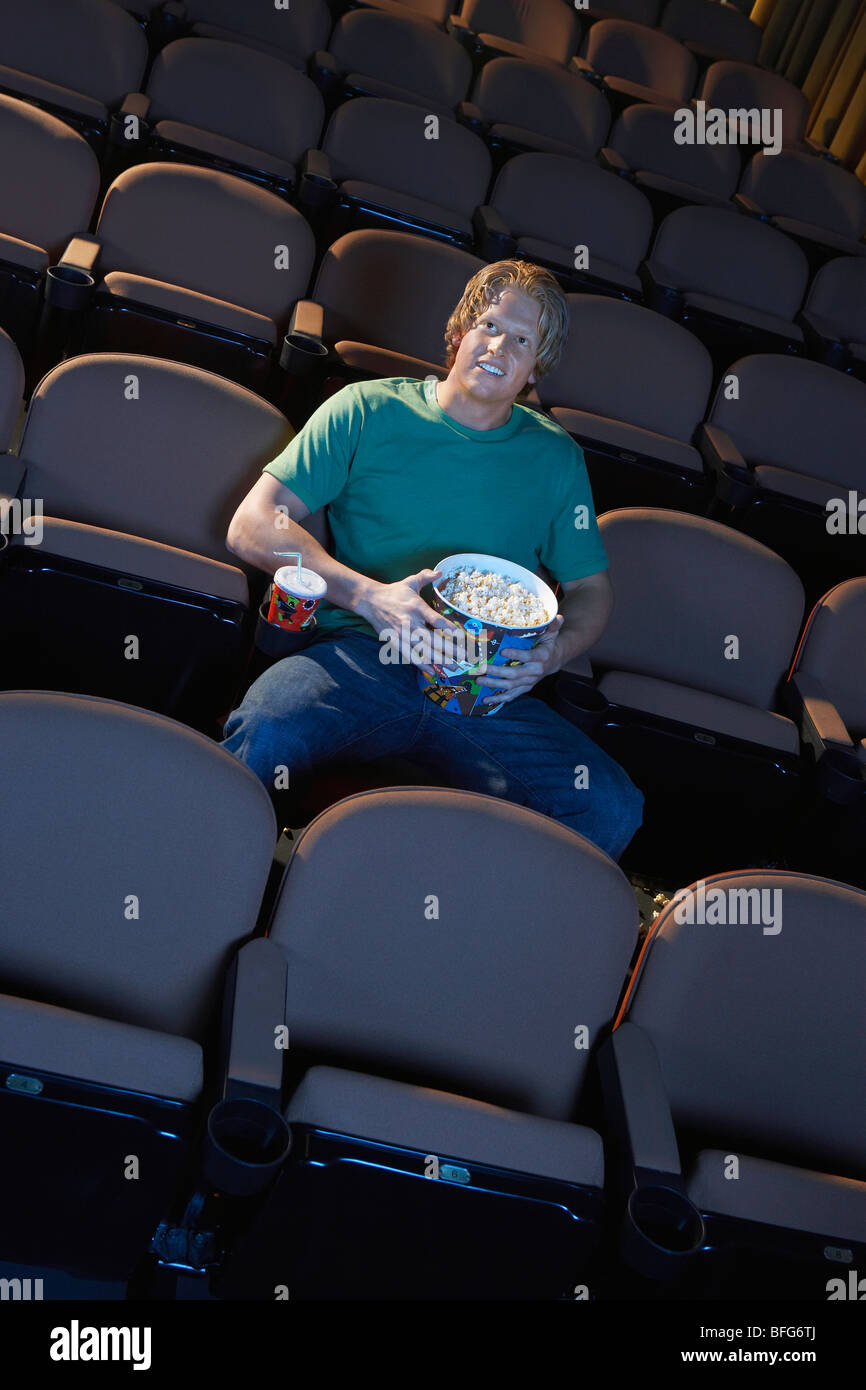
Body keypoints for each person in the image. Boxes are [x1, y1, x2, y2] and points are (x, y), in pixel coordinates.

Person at [222, 260, 643, 861]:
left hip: (486, 689)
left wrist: (552, 656)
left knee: (609, 806)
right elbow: (253, 524)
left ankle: (470, 935)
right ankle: (218, 886)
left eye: (523, 340)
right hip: (360, 657)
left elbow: (589, 590)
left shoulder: (556, 459)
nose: (500, 346)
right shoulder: (365, 409)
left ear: (535, 368)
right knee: (266, 731)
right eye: (490, 325)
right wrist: (368, 596)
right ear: (459, 332)